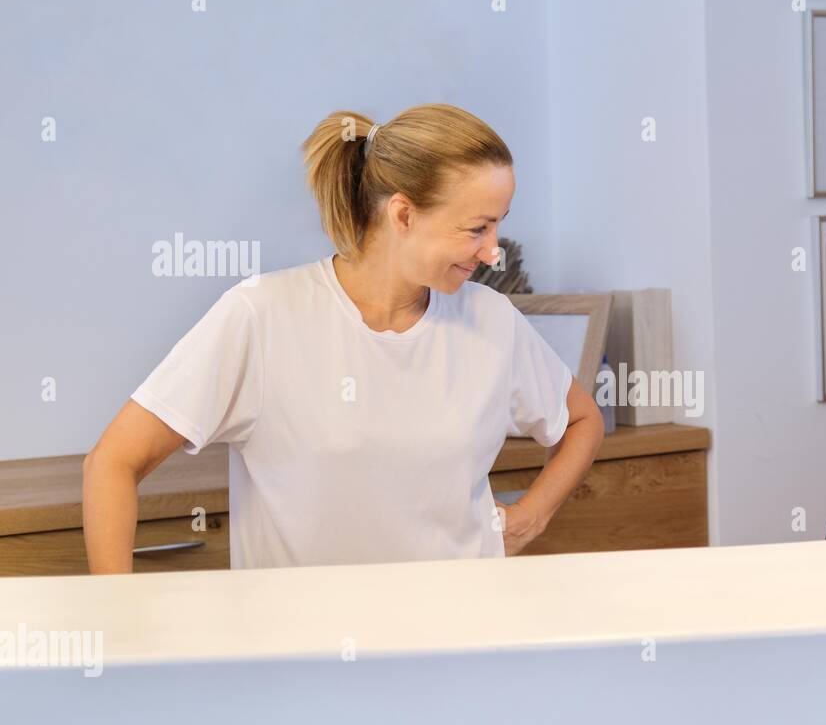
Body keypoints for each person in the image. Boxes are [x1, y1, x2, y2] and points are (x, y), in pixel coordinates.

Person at [83, 104, 603, 572]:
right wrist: (119, 623)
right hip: (305, 661)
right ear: (403, 214)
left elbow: (582, 420)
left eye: (498, 227)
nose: (494, 251)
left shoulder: (492, 319)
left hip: (459, 644)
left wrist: (531, 516)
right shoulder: (262, 316)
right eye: (476, 229)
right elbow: (112, 462)